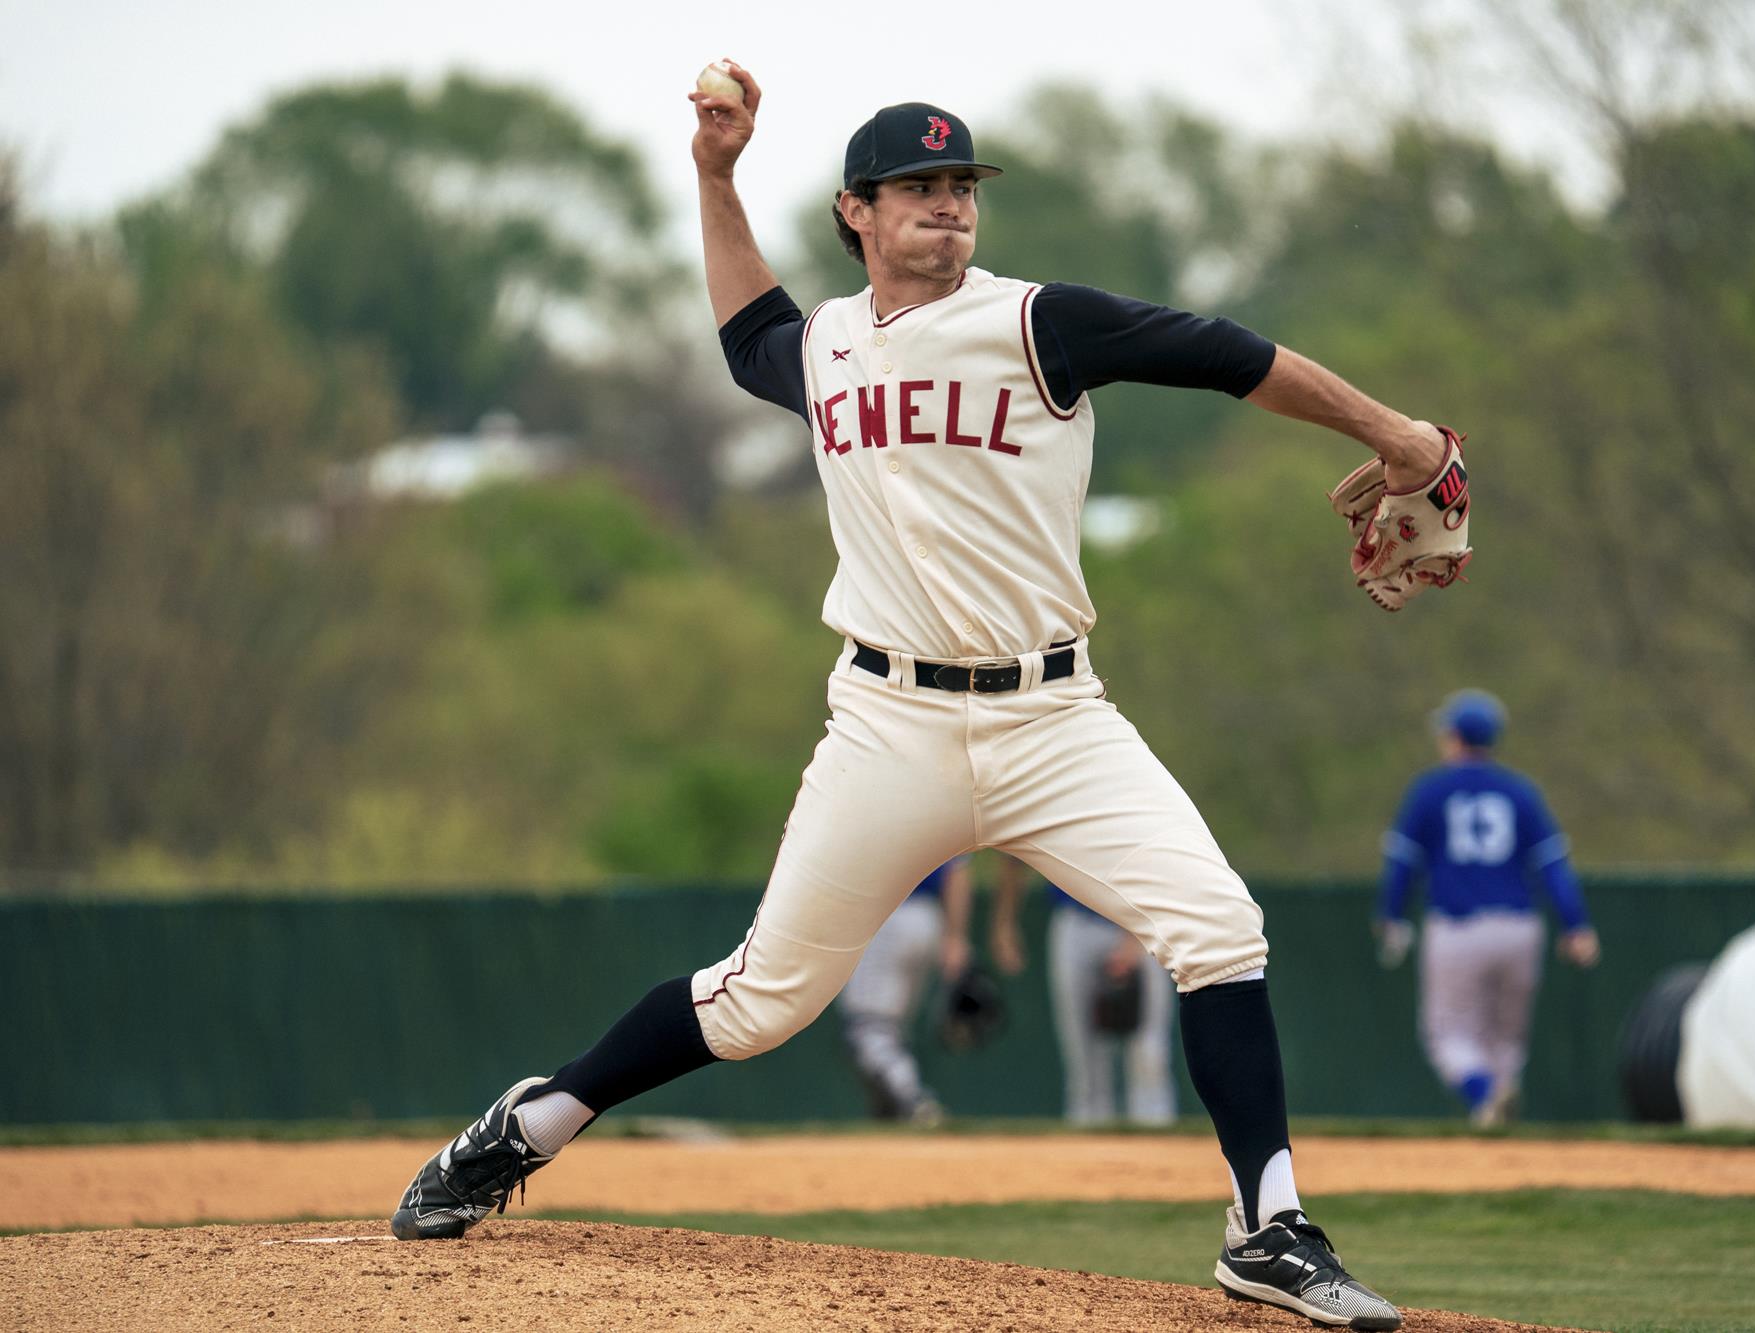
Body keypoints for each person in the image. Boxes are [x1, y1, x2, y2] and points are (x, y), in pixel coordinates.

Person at [389, 64, 1454, 1333]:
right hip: (885, 725)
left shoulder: (1038, 323)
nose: (948, 207)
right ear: (858, 212)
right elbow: (745, 340)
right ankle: (529, 1122)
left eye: (960, 187)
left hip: (1055, 719)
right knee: (758, 1004)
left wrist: (1392, 433)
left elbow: (1225, 355)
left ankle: (1265, 1230)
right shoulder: (830, 347)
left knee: (1219, 930)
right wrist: (715, 175)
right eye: (919, 189)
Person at [1374, 689, 1600, 1126]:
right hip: (1519, 927)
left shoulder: (1431, 790)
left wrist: (1392, 917)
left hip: (1458, 928)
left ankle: (1483, 1097)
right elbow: (1553, 865)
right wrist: (1577, 925)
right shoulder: (1520, 791)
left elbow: (1403, 865)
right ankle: (1500, 1107)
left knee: (1449, 1036)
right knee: (1505, 1040)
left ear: (1454, 737)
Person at [1000, 858, 1178, 1126]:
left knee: (1148, 1052)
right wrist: (1005, 924)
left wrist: (1134, 938)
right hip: (1075, 919)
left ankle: (1156, 1143)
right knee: (1083, 1058)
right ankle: (1088, 1150)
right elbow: (1013, 854)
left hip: (1141, 917)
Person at [836, 855, 972, 1124]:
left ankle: (914, 1100)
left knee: (868, 1027)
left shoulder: (863, 811)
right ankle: (892, 1116)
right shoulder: (938, 810)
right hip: (927, 918)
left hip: (886, 916)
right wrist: (955, 937)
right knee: (891, 1031)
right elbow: (957, 871)